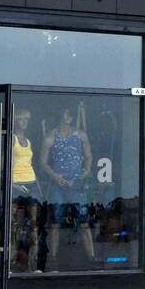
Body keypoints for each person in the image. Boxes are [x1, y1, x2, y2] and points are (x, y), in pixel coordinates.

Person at [44, 103, 95, 269]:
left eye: (69, 115)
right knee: (55, 222)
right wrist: (54, 176)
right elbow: (42, 162)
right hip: (58, 184)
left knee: (83, 222)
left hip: (76, 183)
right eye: (65, 114)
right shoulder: (50, 136)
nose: (68, 118)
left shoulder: (80, 135)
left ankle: (92, 258)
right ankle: (52, 258)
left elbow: (89, 156)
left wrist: (84, 174)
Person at [11, 107, 43, 273]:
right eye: (22, 119)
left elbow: (29, 164)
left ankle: (33, 265)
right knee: (13, 225)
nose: (24, 123)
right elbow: (6, 162)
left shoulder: (28, 141)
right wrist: (13, 184)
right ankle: (10, 264)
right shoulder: (12, 139)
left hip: (30, 182)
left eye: (27, 120)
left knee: (33, 226)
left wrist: (37, 185)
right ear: (15, 120)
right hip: (16, 183)